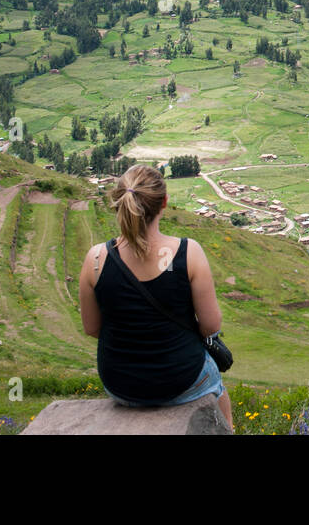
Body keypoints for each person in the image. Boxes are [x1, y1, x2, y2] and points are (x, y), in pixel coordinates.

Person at [78, 164, 233, 430]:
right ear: (164, 202)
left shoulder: (95, 259)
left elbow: (92, 328)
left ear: (118, 203)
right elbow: (211, 326)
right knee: (221, 395)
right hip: (183, 379)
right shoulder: (188, 252)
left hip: (120, 384)